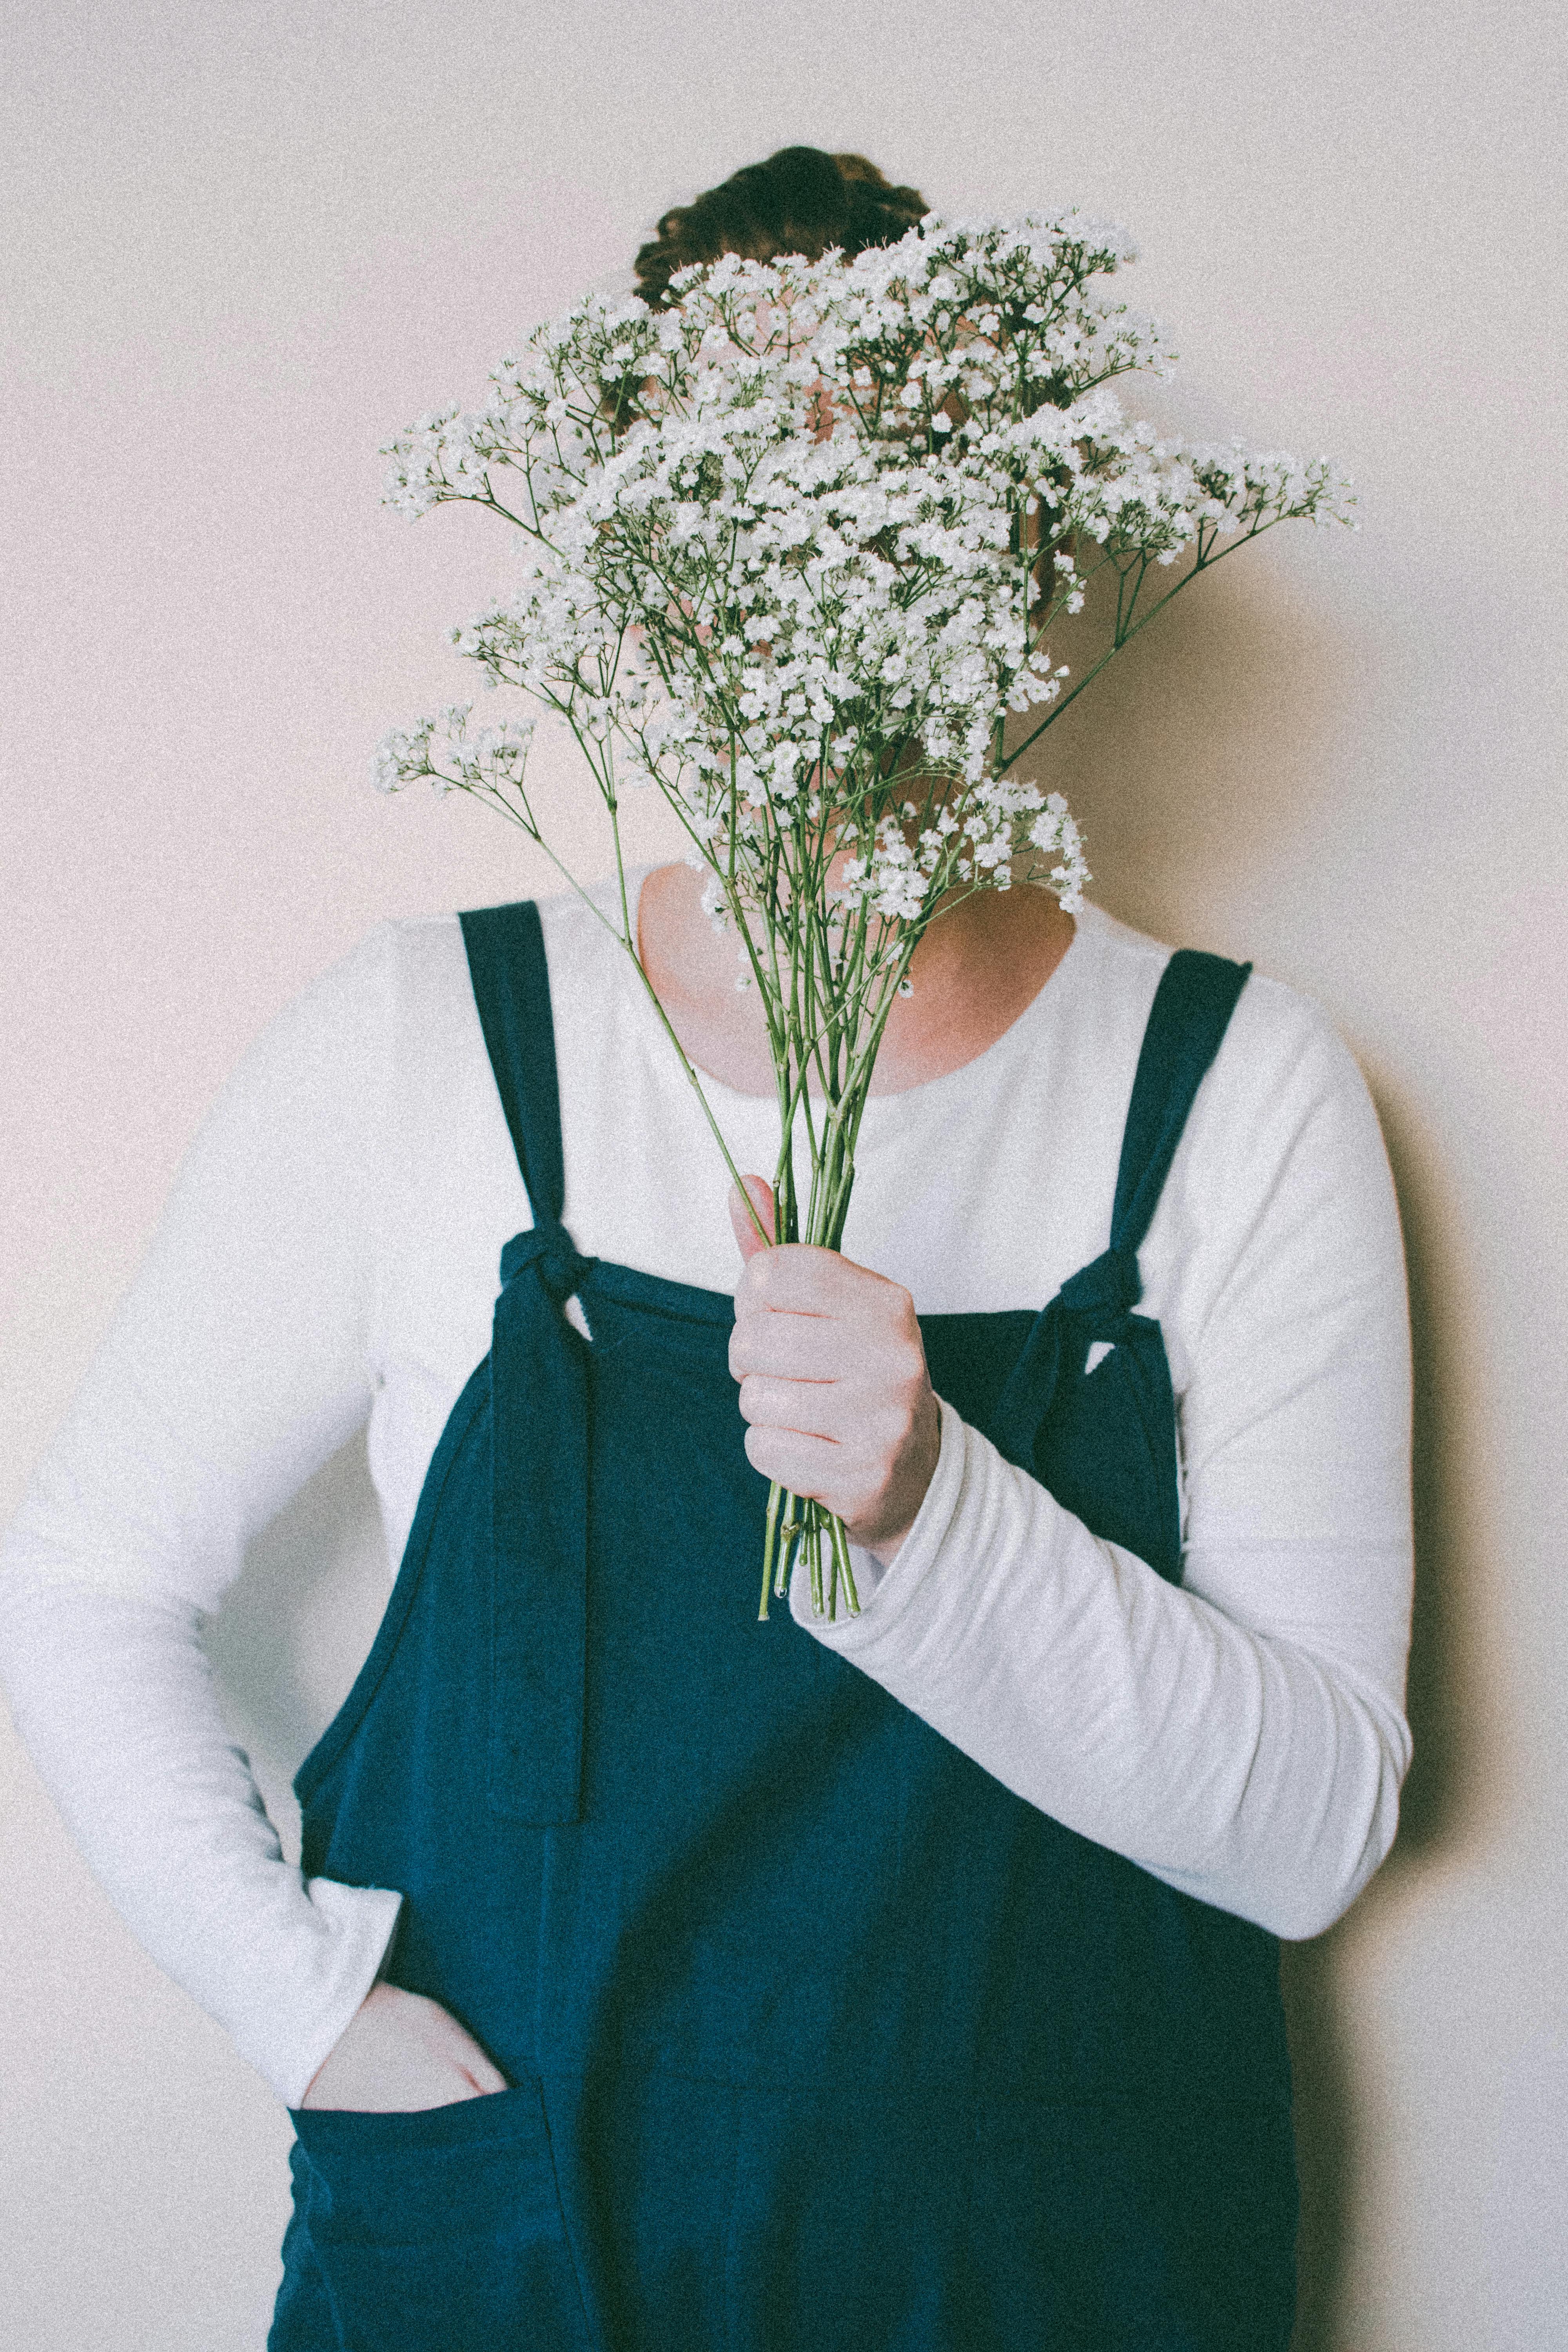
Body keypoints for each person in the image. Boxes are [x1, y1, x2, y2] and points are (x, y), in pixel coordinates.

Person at [0, 148, 1413, 2352]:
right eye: (738, 489)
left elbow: (1319, 1827)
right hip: (524, 2258)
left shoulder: (1231, 1090)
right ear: (642, 555)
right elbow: (87, 1578)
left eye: (885, 474)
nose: (806, 559)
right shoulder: (436, 1045)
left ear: (1010, 544)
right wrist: (309, 2017)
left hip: (1066, 2286)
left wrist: (933, 1514)